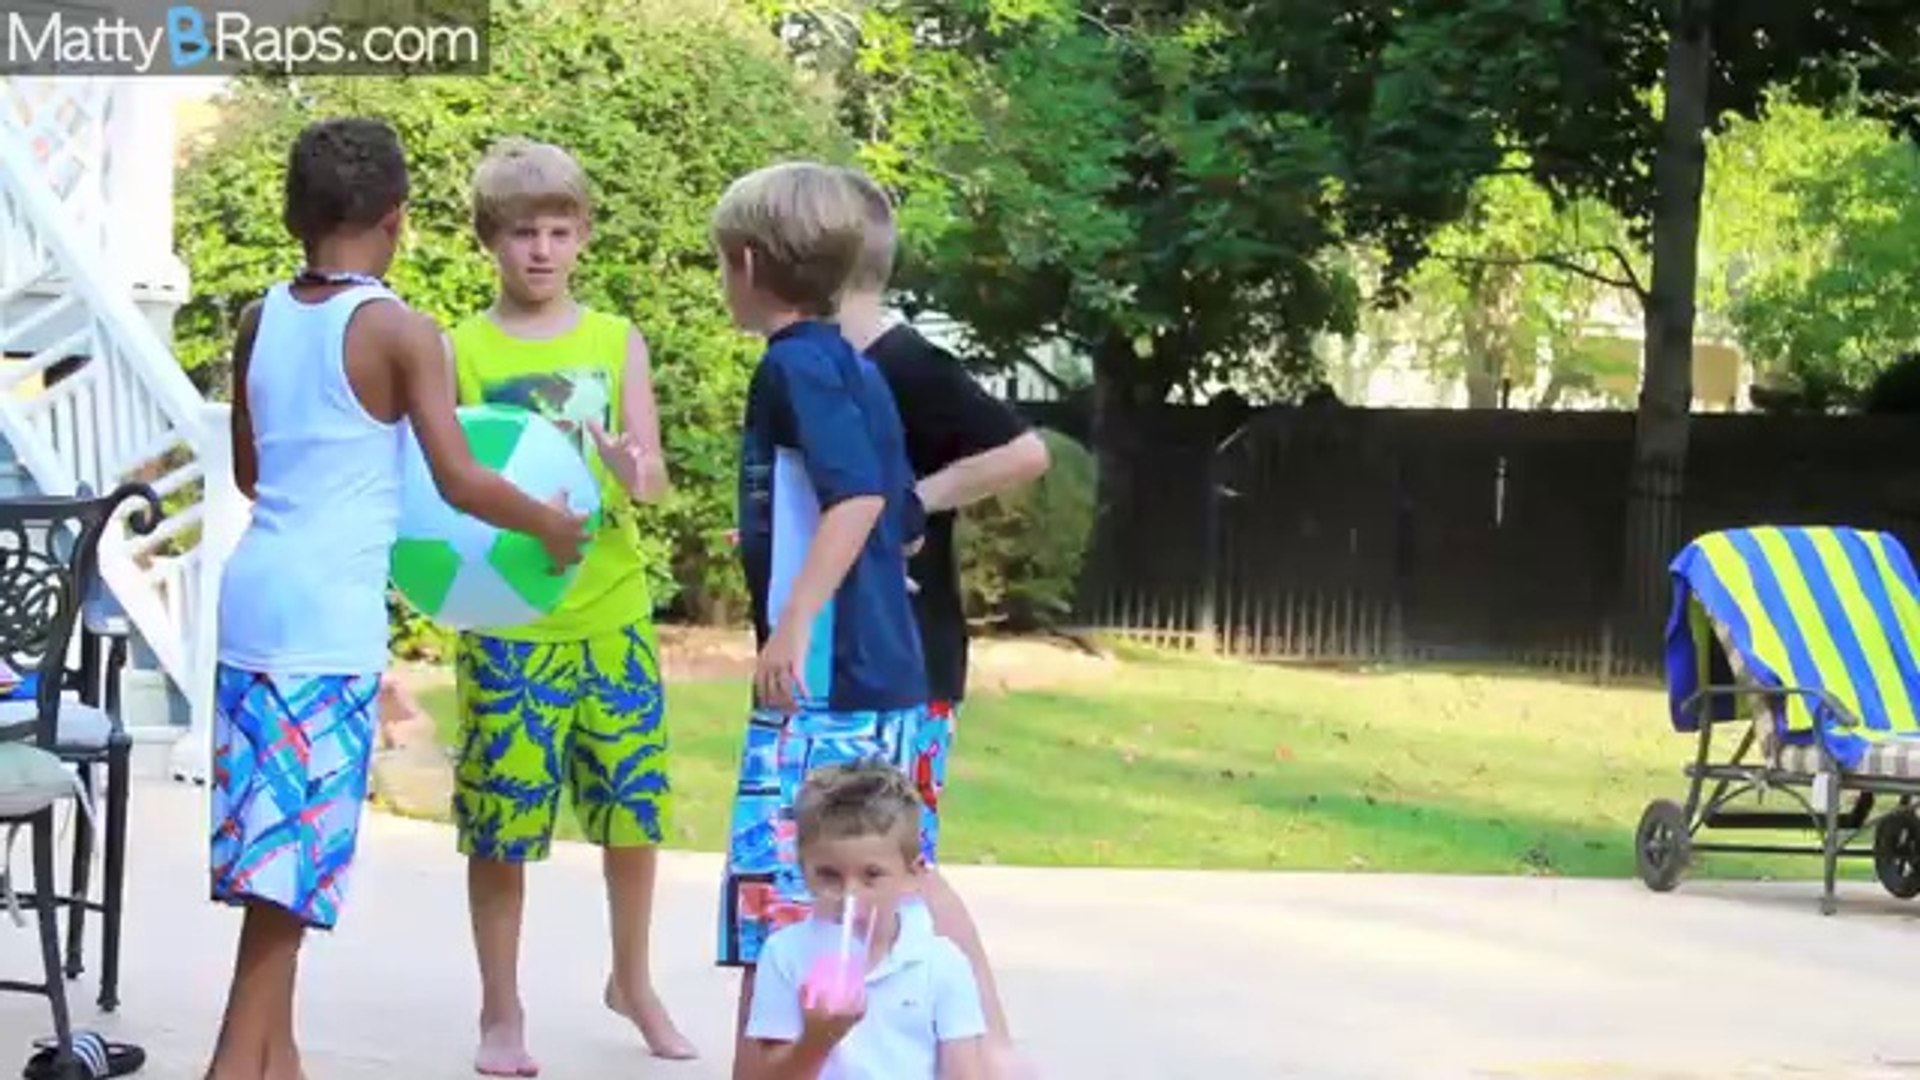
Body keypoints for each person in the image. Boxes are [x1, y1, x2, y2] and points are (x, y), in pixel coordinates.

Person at [209, 116, 589, 1080]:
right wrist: (547, 525)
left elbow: (253, 473)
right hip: (327, 627)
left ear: (296, 214)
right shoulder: (400, 330)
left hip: (252, 606)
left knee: (266, 865)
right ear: (397, 219)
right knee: (282, 899)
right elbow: (460, 480)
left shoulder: (262, 318)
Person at [445, 137, 694, 1074]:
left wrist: (639, 470)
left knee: (633, 814)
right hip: (510, 621)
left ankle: (632, 980)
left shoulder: (614, 337)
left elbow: (654, 475)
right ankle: (500, 1011)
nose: (541, 251)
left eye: (558, 231)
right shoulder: (459, 349)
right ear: (489, 241)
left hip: (613, 611)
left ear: (583, 235)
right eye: (522, 233)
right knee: (504, 822)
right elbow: (446, 482)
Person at [707, 161, 932, 1077]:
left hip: (823, 683)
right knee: (861, 907)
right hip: (882, 673)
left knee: (782, 903)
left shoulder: (794, 366)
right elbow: (902, 520)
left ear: (751, 263)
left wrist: (793, 618)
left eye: (722, 264)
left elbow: (859, 501)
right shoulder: (854, 363)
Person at [835, 168, 1051, 1074]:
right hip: (865, 647)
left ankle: (990, 1043)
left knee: (904, 859)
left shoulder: (907, 361)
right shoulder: (832, 365)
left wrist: (913, 504)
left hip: (914, 655)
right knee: (864, 855)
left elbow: (1024, 450)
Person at [739, 761, 988, 1079]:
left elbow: (965, 1072)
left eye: (871, 875)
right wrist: (818, 1038)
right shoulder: (785, 954)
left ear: (912, 875)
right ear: (803, 869)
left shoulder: (941, 964)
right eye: (829, 875)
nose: (849, 895)